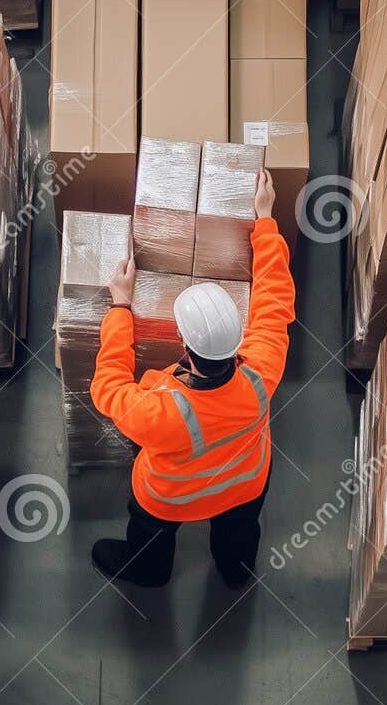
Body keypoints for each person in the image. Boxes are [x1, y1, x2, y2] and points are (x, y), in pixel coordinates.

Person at [89, 168, 296, 587]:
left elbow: (107, 387)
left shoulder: (160, 412)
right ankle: (235, 572)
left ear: (182, 341)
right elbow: (274, 298)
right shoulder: (263, 372)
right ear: (239, 334)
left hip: (169, 498)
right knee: (239, 534)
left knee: (149, 532)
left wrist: (120, 307)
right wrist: (265, 220)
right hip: (244, 484)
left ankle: (149, 570)